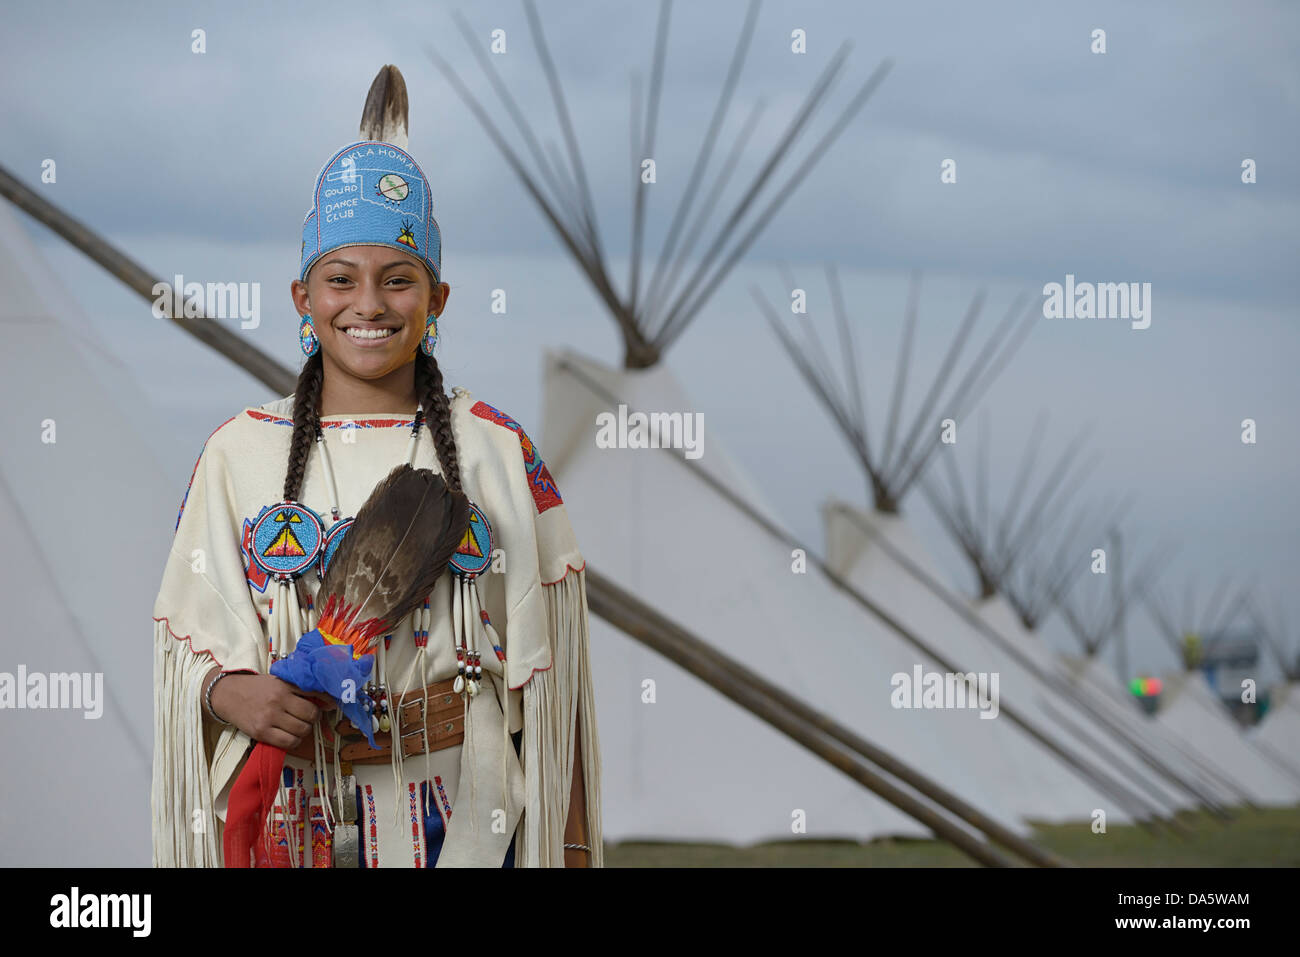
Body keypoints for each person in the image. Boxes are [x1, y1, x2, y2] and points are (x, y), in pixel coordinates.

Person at [151, 140, 602, 867]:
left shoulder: (495, 448)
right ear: (304, 297)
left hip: (463, 811)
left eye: (398, 280)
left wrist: (573, 845)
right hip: (294, 817)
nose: (368, 304)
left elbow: (553, 677)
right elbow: (187, 642)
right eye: (340, 279)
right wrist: (224, 696)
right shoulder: (238, 453)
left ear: (437, 300)